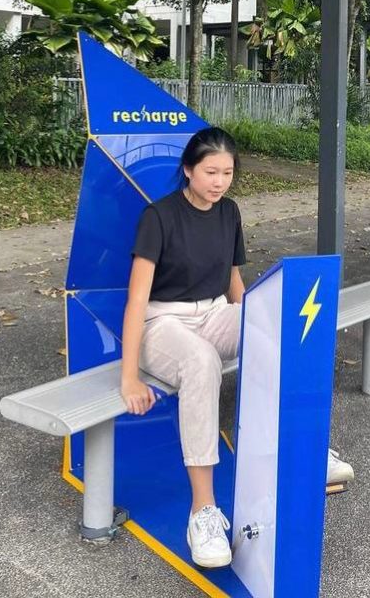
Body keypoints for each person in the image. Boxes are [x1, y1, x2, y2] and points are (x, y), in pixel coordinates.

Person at [120, 126, 353, 569]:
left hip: (212, 313)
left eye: (227, 172)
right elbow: (136, 301)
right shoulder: (159, 217)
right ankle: (203, 512)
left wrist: (257, 321)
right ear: (188, 170)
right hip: (162, 322)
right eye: (210, 171)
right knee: (202, 362)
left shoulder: (229, 212)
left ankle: (301, 447)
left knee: (278, 329)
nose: (219, 181)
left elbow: (233, 282)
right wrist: (128, 376)